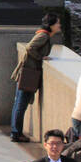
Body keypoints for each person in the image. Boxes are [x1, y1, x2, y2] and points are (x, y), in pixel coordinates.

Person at [10, 14, 61, 143]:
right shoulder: (43, 36)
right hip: (29, 73)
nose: (59, 25)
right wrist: (40, 57)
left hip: (28, 72)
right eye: (57, 23)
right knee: (21, 104)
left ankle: (15, 132)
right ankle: (16, 133)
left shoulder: (43, 35)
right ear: (51, 25)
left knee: (19, 104)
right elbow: (30, 47)